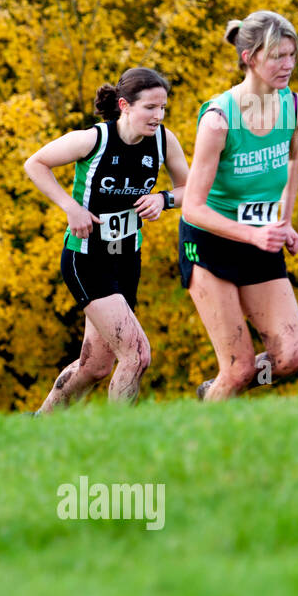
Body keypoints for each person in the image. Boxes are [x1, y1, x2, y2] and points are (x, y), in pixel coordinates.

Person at [24, 67, 189, 411]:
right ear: (125, 105)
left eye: (163, 108)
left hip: (127, 259)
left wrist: (163, 199)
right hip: (87, 257)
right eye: (150, 108)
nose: (158, 116)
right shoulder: (93, 139)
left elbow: (191, 189)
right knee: (137, 353)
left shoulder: (163, 141)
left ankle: (40, 422)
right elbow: (35, 163)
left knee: (95, 366)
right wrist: (71, 208)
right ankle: (121, 438)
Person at [180, 11, 298, 400]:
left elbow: (292, 160)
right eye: (277, 57)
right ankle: (206, 428)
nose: (287, 66)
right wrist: (253, 234)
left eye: (291, 55)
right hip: (210, 243)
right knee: (238, 369)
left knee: (291, 357)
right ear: (249, 58)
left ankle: (216, 391)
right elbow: (191, 207)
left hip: (262, 239)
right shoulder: (218, 121)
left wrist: (284, 222)